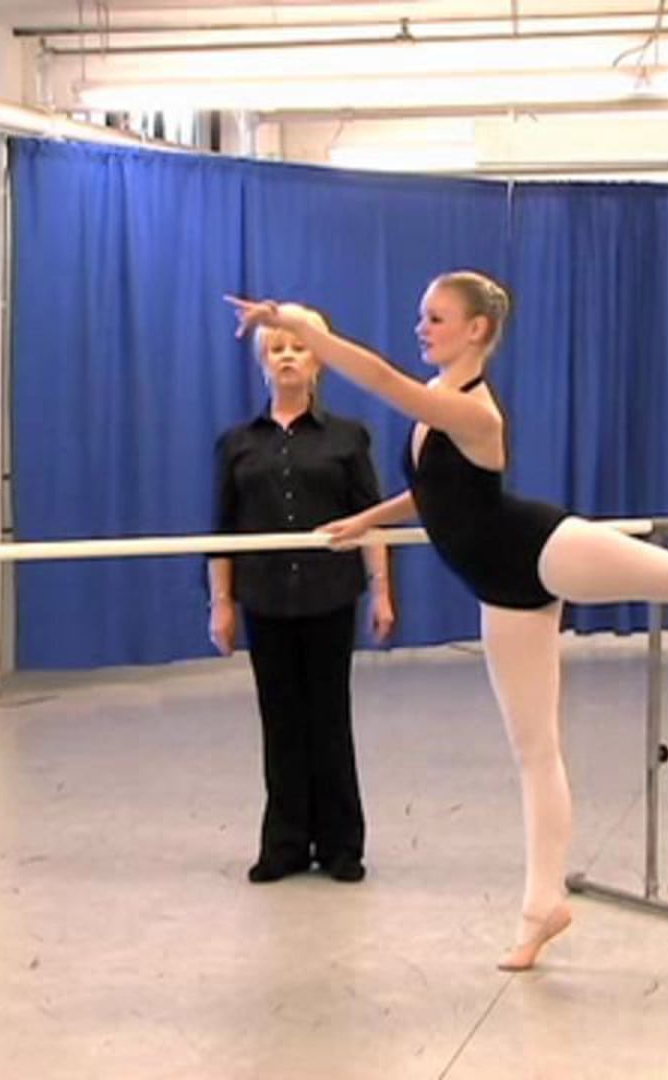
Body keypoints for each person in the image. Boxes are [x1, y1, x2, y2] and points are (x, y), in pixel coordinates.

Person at [225, 274, 668, 969]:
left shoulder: (475, 411)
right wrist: (366, 520)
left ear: (476, 330)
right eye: (421, 316)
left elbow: (382, 380)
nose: (421, 328)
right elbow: (431, 490)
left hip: (542, 550)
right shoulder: (437, 404)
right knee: (535, 752)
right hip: (500, 591)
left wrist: (305, 328)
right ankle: (542, 908)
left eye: (435, 318)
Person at [209, 303, 395, 886]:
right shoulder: (237, 443)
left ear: (319, 362)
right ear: (263, 363)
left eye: (298, 347)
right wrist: (222, 603)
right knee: (280, 719)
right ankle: (285, 842)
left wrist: (381, 592)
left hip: (329, 596)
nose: (288, 357)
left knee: (329, 718)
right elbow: (222, 529)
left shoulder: (347, 438)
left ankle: (341, 844)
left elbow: (370, 519)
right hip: (265, 599)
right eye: (277, 349)